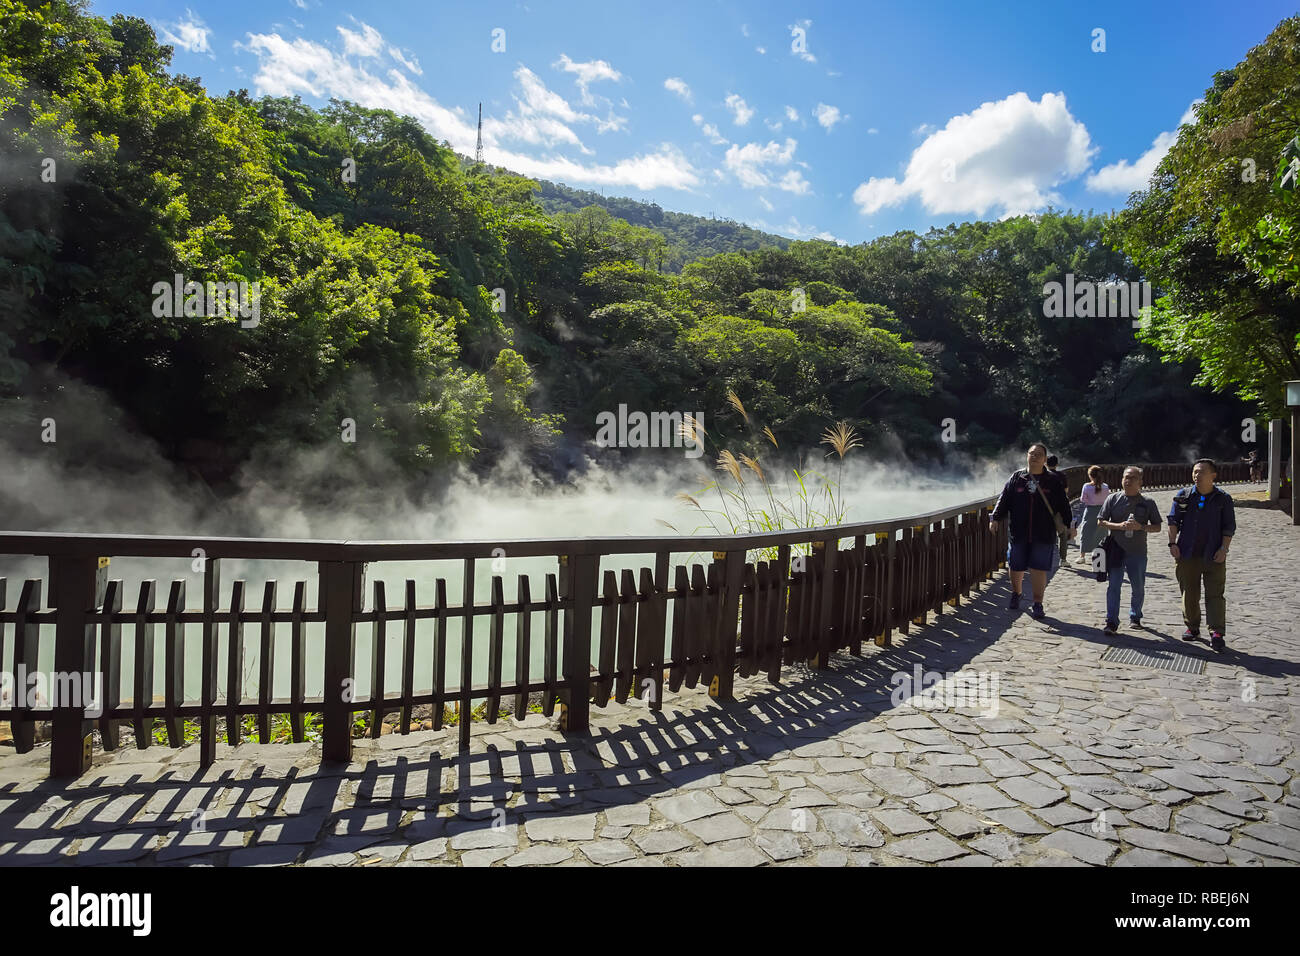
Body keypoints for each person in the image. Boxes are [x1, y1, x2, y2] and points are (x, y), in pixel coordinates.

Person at [989, 443, 1075, 619]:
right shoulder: (1017, 478)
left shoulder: (1052, 481)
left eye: (1038, 454)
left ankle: (1037, 603)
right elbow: (1004, 499)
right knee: (1015, 566)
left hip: (1043, 532)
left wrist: (1070, 525)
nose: (1034, 456)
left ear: (1044, 458)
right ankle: (1016, 593)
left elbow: (1064, 505)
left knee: (1038, 569)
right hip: (1018, 531)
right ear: (1026, 456)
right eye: (1031, 453)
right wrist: (995, 518)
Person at [1168, 459, 1235, 652]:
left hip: (1214, 554)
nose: (1197, 475)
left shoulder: (1223, 499)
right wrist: (1172, 543)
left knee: (1215, 594)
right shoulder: (1184, 496)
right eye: (1195, 472)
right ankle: (1192, 626)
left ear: (1213, 476)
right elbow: (1173, 521)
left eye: (1202, 472)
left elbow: (1229, 527)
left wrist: (1224, 549)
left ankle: (1217, 632)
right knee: (1189, 593)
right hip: (1187, 553)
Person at [1096, 466, 1163, 634]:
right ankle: (1111, 621)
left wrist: (1141, 526)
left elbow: (1157, 527)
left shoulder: (1148, 502)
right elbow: (1101, 521)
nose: (1128, 480)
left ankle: (1135, 616)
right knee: (1114, 586)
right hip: (1116, 550)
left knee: (1138, 587)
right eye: (1126, 477)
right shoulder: (1113, 498)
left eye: (1132, 478)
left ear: (1140, 482)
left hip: (1137, 552)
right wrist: (1119, 526)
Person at [1077, 465, 1110, 564]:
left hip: (1090, 511)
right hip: (1102, 511)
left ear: (1090, 476)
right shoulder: (1105, 486)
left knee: (1086, 532)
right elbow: (1107, 499)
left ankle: (1082, 556)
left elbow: (1083, 499)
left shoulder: (1086, 486)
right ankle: (1099, 556)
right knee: (1101, 533)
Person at [1045, 455, 1073, 565]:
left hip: (1044, 509)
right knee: (1063, 534)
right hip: (1059, 509)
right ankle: (1063, 559)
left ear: (1045, 464)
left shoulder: (1042, 476)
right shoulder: (1061, 476)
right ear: (1057, 464)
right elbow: (1065, 490)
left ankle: (1044, 556)